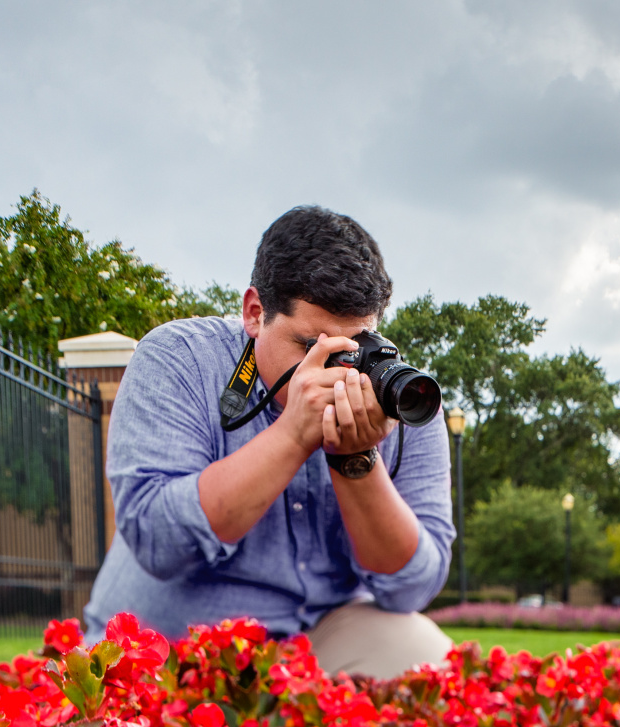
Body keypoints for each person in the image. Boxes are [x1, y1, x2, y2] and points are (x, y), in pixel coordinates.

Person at [83, 207, 454, 677]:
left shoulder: (402, 395)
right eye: (309, 346)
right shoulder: (179, 359)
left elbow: (410, 590)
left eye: (352, 348)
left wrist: (356, 460)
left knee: (423, 657)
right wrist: (294, 434)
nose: (336, 371)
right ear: (255, 313)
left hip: (317, 638)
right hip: (171, 639)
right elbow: (158, 540)